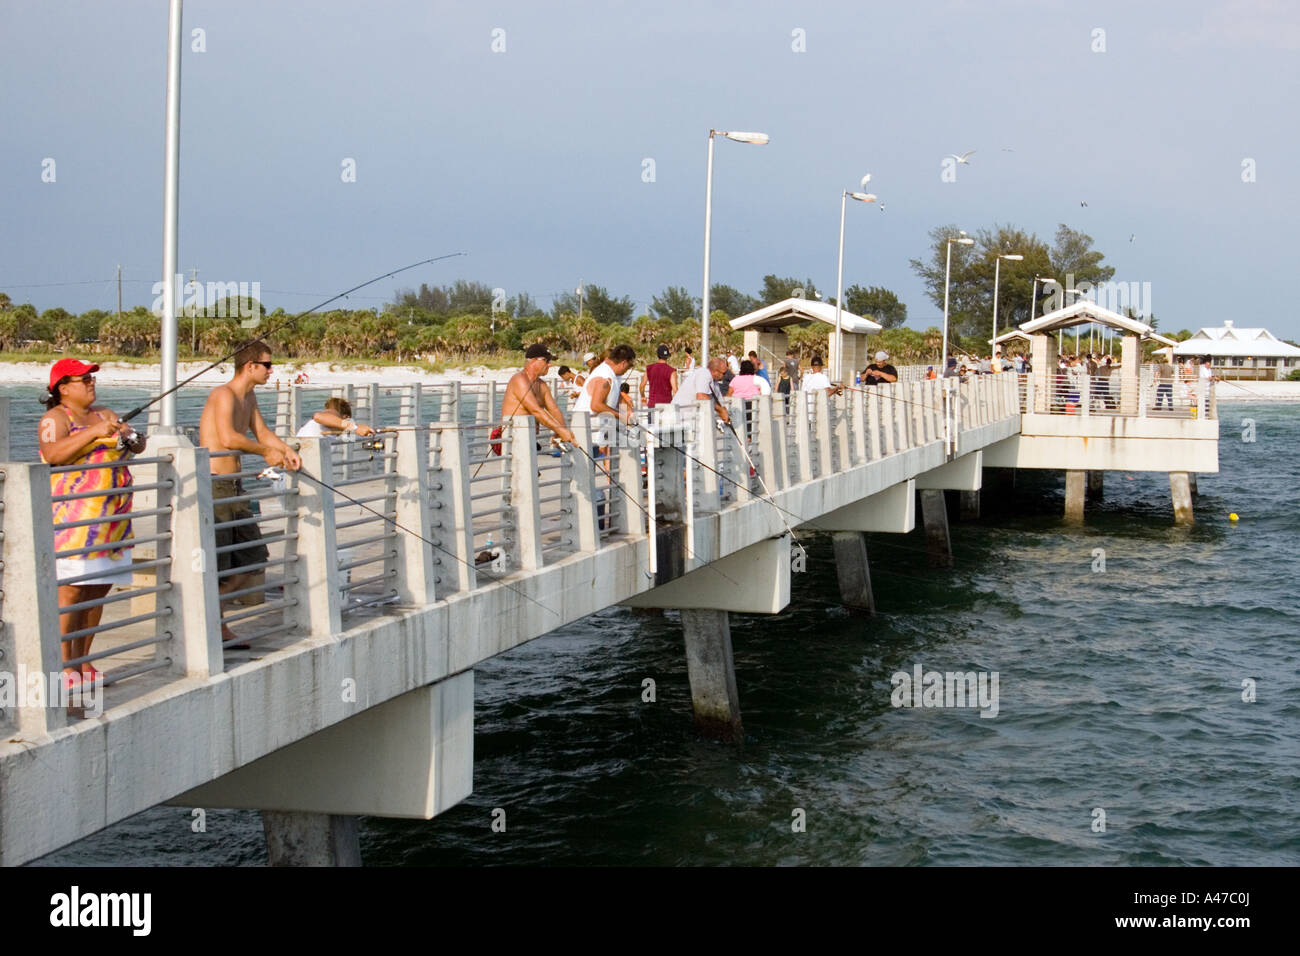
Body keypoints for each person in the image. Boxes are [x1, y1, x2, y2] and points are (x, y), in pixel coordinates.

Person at [39, 359, 147, 689]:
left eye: (91, 378)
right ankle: (63, 664)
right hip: (74, 522)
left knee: (97, 591)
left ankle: (83, 658)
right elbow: (53, 453)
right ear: (63, 387)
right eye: (83, 379)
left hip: (112, 520)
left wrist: (129, 435)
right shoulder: (54, 418)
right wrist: (92, 433)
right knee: (70, 592)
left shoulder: (106, 413)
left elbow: (139, 447)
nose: (90, 383)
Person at [199, 340, 302, 646]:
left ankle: (212, 616)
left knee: (254, 555)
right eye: (268, 365)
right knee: (219, 563)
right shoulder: (223, 394)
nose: (272, 370)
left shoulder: (250, 396)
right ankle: (213, 624)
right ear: (250, 366)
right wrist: (265, 454)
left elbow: (262, 433)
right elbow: (230, 438)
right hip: (214, 484)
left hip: (235, 487)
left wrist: (285, 450)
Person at [501, 344, 575, 444]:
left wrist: (562, 431)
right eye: (547, 360)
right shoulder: (519, 379)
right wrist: (560, 430)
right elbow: (536, 410)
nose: (550, 364)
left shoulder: (542, 385)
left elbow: (554, 410)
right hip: (512, 440)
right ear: (533, 360)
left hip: (530, 440)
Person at [573, 343, 635, 447]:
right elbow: (596, 405)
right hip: (585, 429)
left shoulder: (614, 374)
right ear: (623, 363)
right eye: (628, 368)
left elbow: (617, 394)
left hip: (598, 429)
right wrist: (621, 415)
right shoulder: (604, 376)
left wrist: (628, 410)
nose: (626, 371)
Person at [672, 356, 730, 424]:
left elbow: (720, 402)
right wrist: (721, 411)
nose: (725, 376)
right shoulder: (704, 373)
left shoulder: (715, 382)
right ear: (715, 371)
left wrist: (724, 411)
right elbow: (701, 397)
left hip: (690, 420)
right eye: (724, 373)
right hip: (679, 419)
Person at [296, 396, 376, 438]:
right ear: (345, 417)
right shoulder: (332, 413)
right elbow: (318, 416)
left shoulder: (329, 425)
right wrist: (355, 427)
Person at [640, 343, 678, 409]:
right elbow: (675, 391)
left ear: (658, 355)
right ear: (667, 356)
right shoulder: (672, 371)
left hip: (652, 405)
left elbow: (642, 386)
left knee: (651, 419)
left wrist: (643, 396)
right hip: (666, 405)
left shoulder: (649, 368)